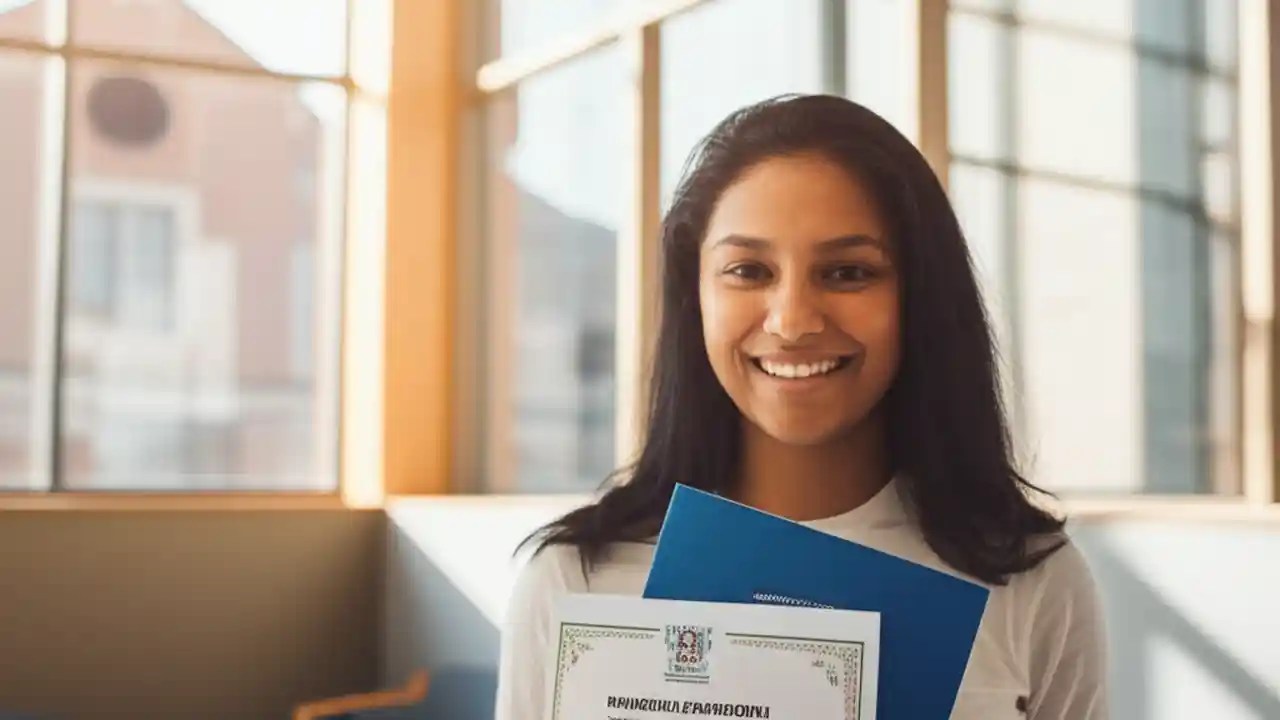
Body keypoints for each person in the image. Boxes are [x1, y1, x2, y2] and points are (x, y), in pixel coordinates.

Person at [495, 94, 1108, 719]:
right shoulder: (574, 580)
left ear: (920, 296)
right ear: (695, 296)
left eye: (847, 272)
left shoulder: (1034, 583)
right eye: (748, 270)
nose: (791, 322)